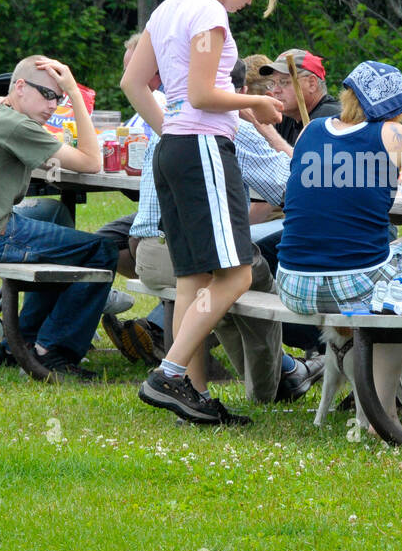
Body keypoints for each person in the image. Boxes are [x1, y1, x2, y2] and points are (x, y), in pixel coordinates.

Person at [120, 0, 285, 426]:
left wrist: (169, 128)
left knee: (193, 275)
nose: (246, 4)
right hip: (204, 150)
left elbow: (132, 81)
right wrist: (257, 99)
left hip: (173, 149)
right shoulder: (211, 13)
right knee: (235, 273)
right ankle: (169, 374)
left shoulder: (169, 6)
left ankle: (189, 393)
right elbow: (201, 95)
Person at [275, 60, 402, 428]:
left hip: (293, 283)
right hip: (352, 287)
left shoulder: (311, 131)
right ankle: (382, 408)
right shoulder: (391, 135)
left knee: (387, 272)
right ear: (394, 110)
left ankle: (376, 402)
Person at [126, 58, 322, 403]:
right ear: (242, 93)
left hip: (146, 248)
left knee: (231, 282)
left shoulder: (175, 119)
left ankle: (264, 373)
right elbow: (292, 186)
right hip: (183, 253)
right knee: (250, 280)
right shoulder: (229, 125)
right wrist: (262, 127)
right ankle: (272, 386)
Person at [0, 56, 118, 379]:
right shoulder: (17, 126)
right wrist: (75, 93)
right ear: (19, 87)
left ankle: (15, 344)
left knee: (56, 218)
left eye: (59, 98)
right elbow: (92, 162)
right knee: (101, 251)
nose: (54, 104)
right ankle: (52, 352)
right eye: (48, 94)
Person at [258, 49, 340, 146]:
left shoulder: (329, 120)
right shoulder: (288, 118)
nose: (275, 90)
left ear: (311, 84)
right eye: (272, 83)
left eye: (283, 82)